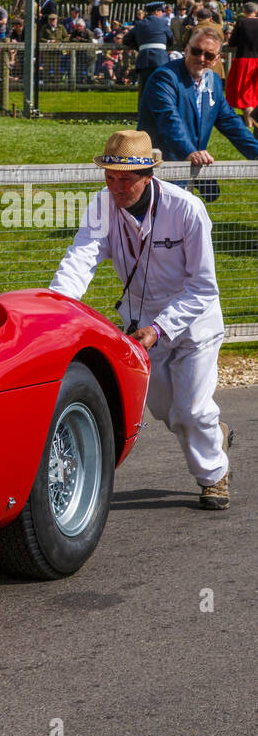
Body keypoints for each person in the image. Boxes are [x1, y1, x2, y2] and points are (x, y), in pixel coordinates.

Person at [50, 130, 232, 509]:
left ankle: (213, 476)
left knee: (192, 409)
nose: (116, 188)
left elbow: (203, 287)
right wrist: (57, 306)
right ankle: (214, 434)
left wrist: (161, 327)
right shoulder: (101, 206)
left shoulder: (187, 209)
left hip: (194, 322)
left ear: (149, 176)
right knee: (167, 411)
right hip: (141, 324)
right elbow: (81, 256)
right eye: (110, 178)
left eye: (126, 179)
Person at [138, 23, 258, 174]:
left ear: (216, 59)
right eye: (196, 51)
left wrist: (256, 152)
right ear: (186, 50)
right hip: (159, 167)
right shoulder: (165, 77)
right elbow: (169, 120)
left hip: (192, 166)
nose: (201, 58)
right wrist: (190, 152)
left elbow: (229, 122)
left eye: (208, 55)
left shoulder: (212, 80)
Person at [123, 1, 174, 89]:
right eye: (161, 11)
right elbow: (171, 40)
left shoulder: (139, 24)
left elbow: (126, 40)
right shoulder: (163, 23)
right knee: (161, 88)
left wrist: (140, 47)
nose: (162, 14)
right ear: (156, 12)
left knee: (145, 89)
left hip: (144, 60)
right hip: (160, 59)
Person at [225, 0, 258, 133]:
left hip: (244, 60)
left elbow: (232, 42)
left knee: (244, 92)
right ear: (256, 11)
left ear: (244, 11)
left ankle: (249, 123)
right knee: (254, 92)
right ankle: (251, 123)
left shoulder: (241, 22)